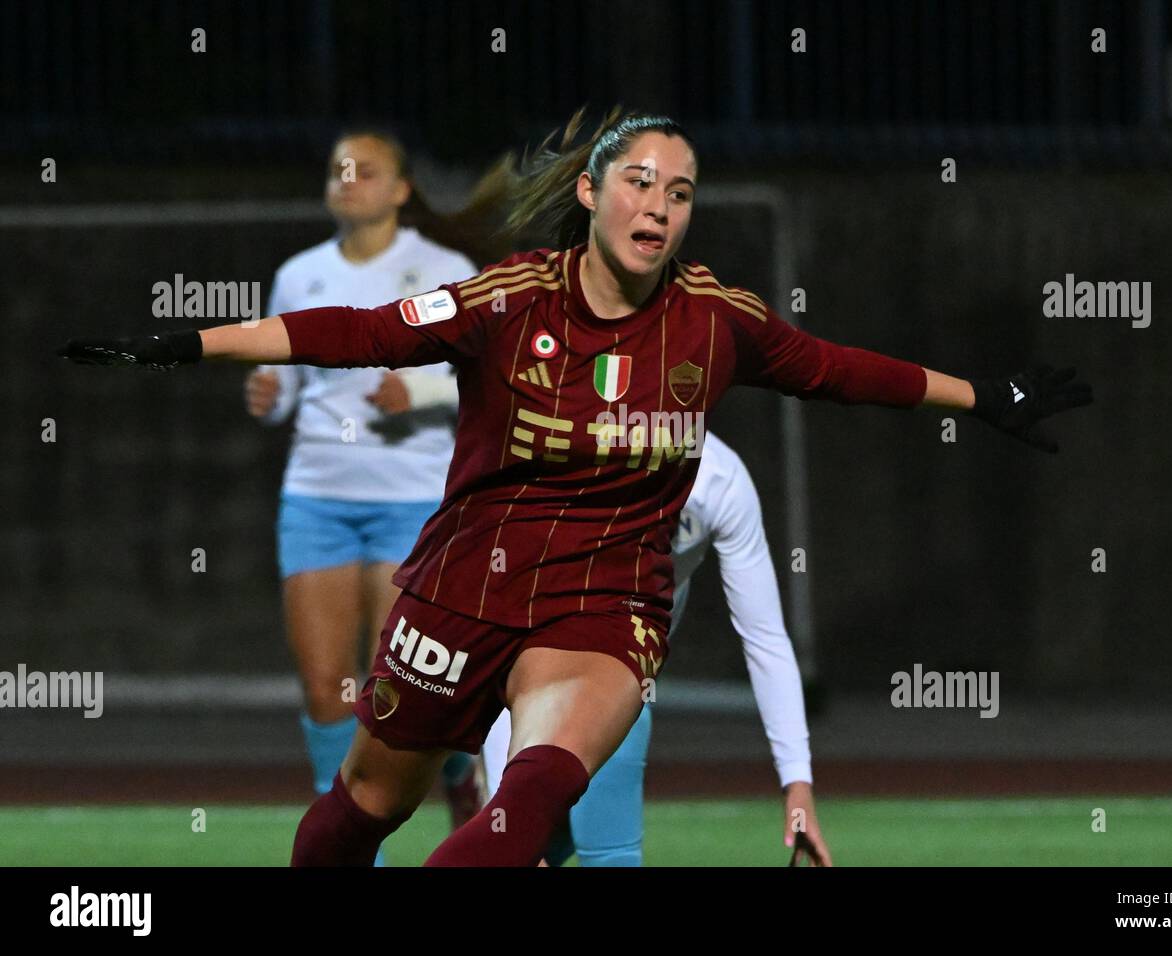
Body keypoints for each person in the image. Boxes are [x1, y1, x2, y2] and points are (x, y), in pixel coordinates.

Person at [59, 106, 1092, 867]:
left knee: (530, 797)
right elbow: (358, 331)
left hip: (604, 606)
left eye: (680, 192)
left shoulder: (713, 320)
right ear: (593, 194)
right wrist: (189, 343)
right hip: (465, 586)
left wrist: (982, 394)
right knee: (368, 797)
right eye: (639, 181)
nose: (660, 205)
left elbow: (837, 369)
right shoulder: (509, 298)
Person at [245, 130, 484, 853]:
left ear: (403, 189)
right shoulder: (297, 275)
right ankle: (343, 840)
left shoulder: (445, 269)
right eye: (337, 169)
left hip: (413, 501)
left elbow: (483, 377)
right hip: (317, 497)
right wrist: (268, 392)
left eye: (366, 169)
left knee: (398, 692)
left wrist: (416, 386)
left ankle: (459, 774)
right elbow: (290, 384)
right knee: (326, 688)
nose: (348, 179)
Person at [480, 431, 831, 866]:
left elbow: (763, 636)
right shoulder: (577, 460)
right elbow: (508, 619)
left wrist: (798, 784)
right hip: (540, 666)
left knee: (563, 837)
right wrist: (502, 790)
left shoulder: (719, 481)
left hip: (623, 672)